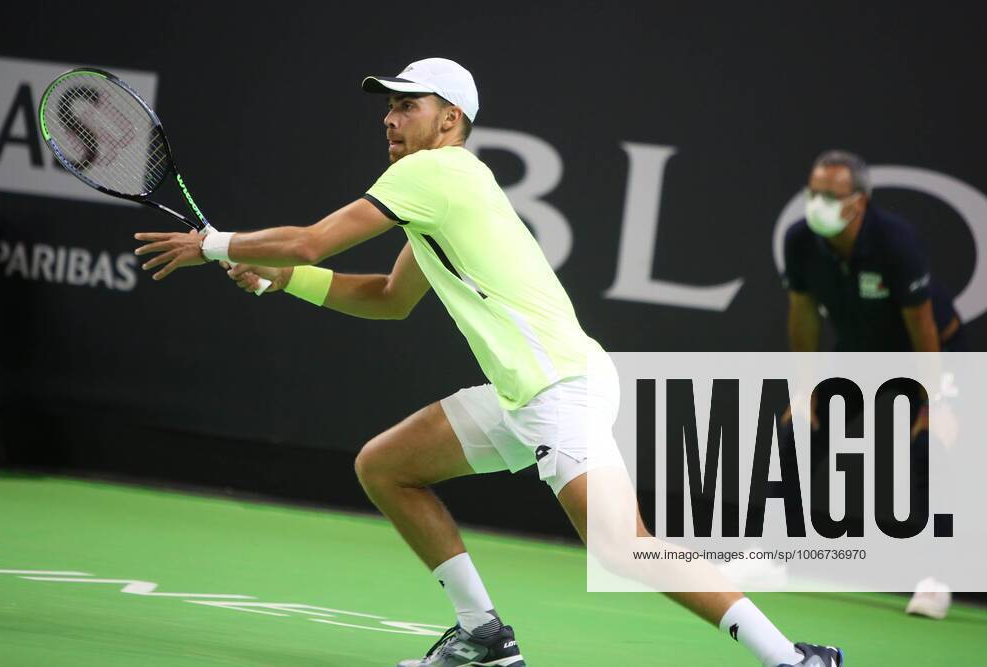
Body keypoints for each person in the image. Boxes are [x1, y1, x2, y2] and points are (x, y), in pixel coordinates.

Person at [135, 57, 843, 667]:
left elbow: (314, 241)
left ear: (449, 120)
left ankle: (788, 656)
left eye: (407, 106)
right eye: (388, 107)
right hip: (526, 391)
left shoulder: (436, 174)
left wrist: (219, 245)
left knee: (624, 547)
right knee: (386, 465)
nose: (390, 119)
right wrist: (282, 279)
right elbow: (387, 297)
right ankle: (482, 634)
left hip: (558, 388)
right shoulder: (442, 190)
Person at [782, 149, 960, 620]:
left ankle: (935, 579)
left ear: (858, 202)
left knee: (929, 449)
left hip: (930, 351)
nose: (816, 202)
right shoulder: (801, 240)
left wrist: (933, 401)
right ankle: (783, 554)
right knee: (798, 432)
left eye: (829, 195)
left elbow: (922, 326)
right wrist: (805, 391)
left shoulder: (896, 242)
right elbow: (801, 315)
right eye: (812, 192)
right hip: (862, 353)